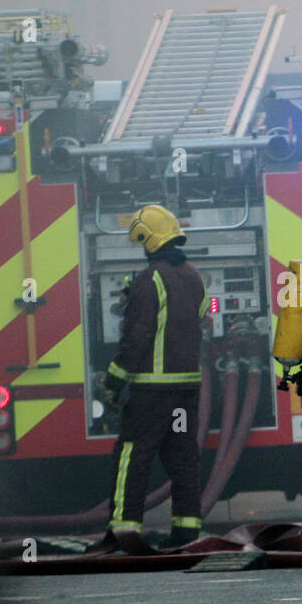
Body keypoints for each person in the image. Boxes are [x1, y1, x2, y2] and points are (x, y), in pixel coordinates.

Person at [102, 205, 206, 549]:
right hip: (186, 392)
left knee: (134, 456)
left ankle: (124, 530)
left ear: (148, 241)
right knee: (182, 457)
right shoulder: (193, 276)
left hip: (151, 394)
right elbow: (201, 316)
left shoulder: (147, 282)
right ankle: (187, 531)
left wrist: (114, 382)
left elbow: (135, 340)